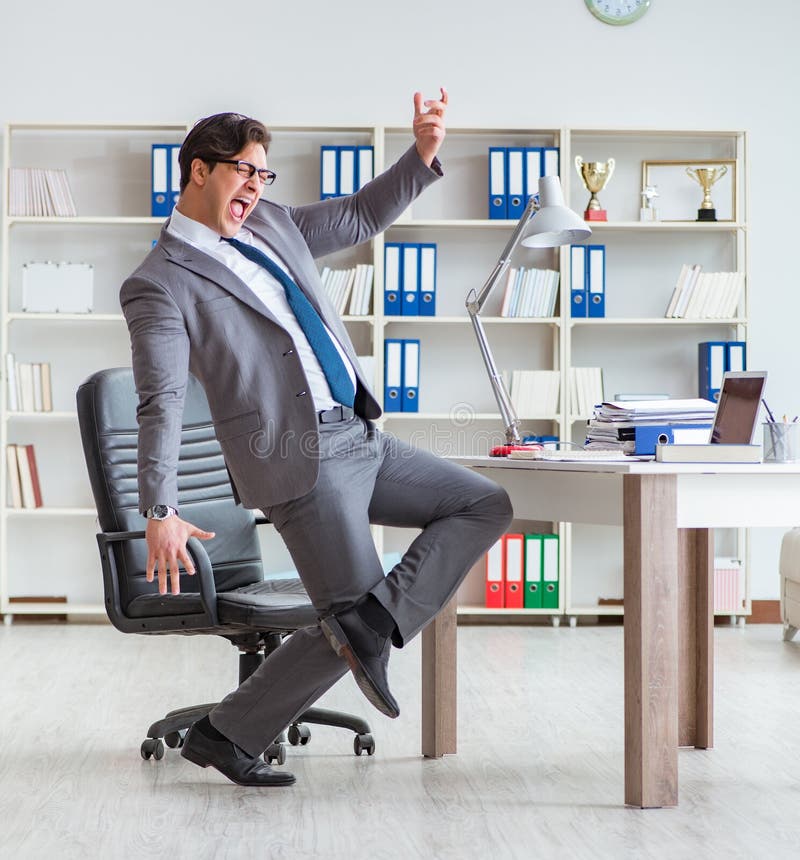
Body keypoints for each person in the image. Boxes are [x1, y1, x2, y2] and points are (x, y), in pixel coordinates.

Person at [120, 89, 513, 787]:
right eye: (243, 169)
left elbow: (361, 214)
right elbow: (163, 400)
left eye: (262, 173)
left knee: (482, 506)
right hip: (297, 459)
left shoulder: (272, 223)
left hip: (360, 434)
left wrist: (421, 152)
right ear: (199, 171)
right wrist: (159, 508)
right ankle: (238, 727)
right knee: (353, 631)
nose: (255, 185)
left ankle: (234, 725)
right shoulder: (159, 283)